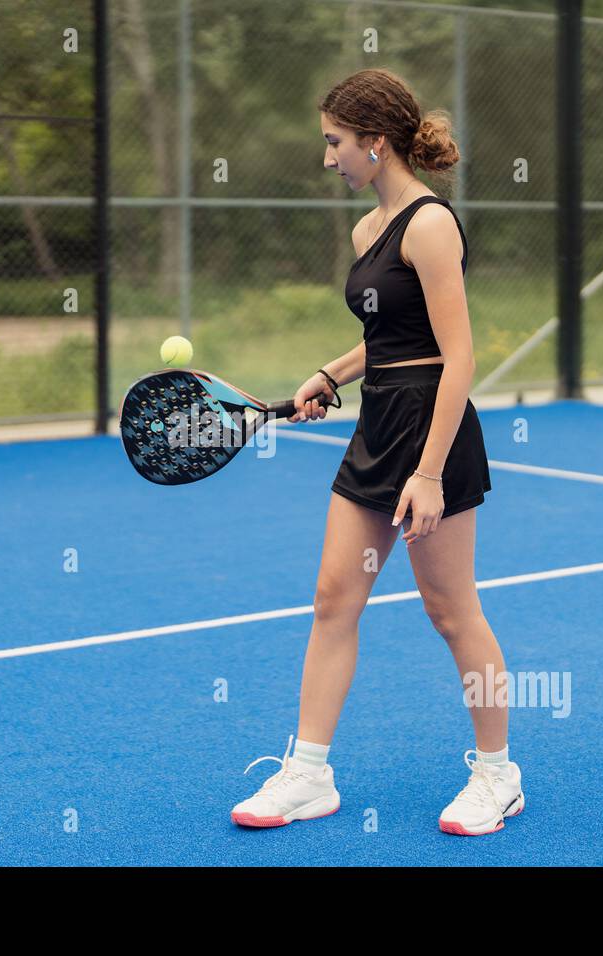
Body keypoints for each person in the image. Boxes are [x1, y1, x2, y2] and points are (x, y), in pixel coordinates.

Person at [230, 69, 522, 836]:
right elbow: (386, 337)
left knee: (451, 611)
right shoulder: (368, 231)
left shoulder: (430, 225)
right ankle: (310, 774)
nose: (328, 158)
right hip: (378, 423)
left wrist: (428, 473)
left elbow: (457, 356)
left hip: (437, 430)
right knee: (333, 600)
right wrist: (332, 373)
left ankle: (498, 776)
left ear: (376, 143)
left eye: (335, 142)